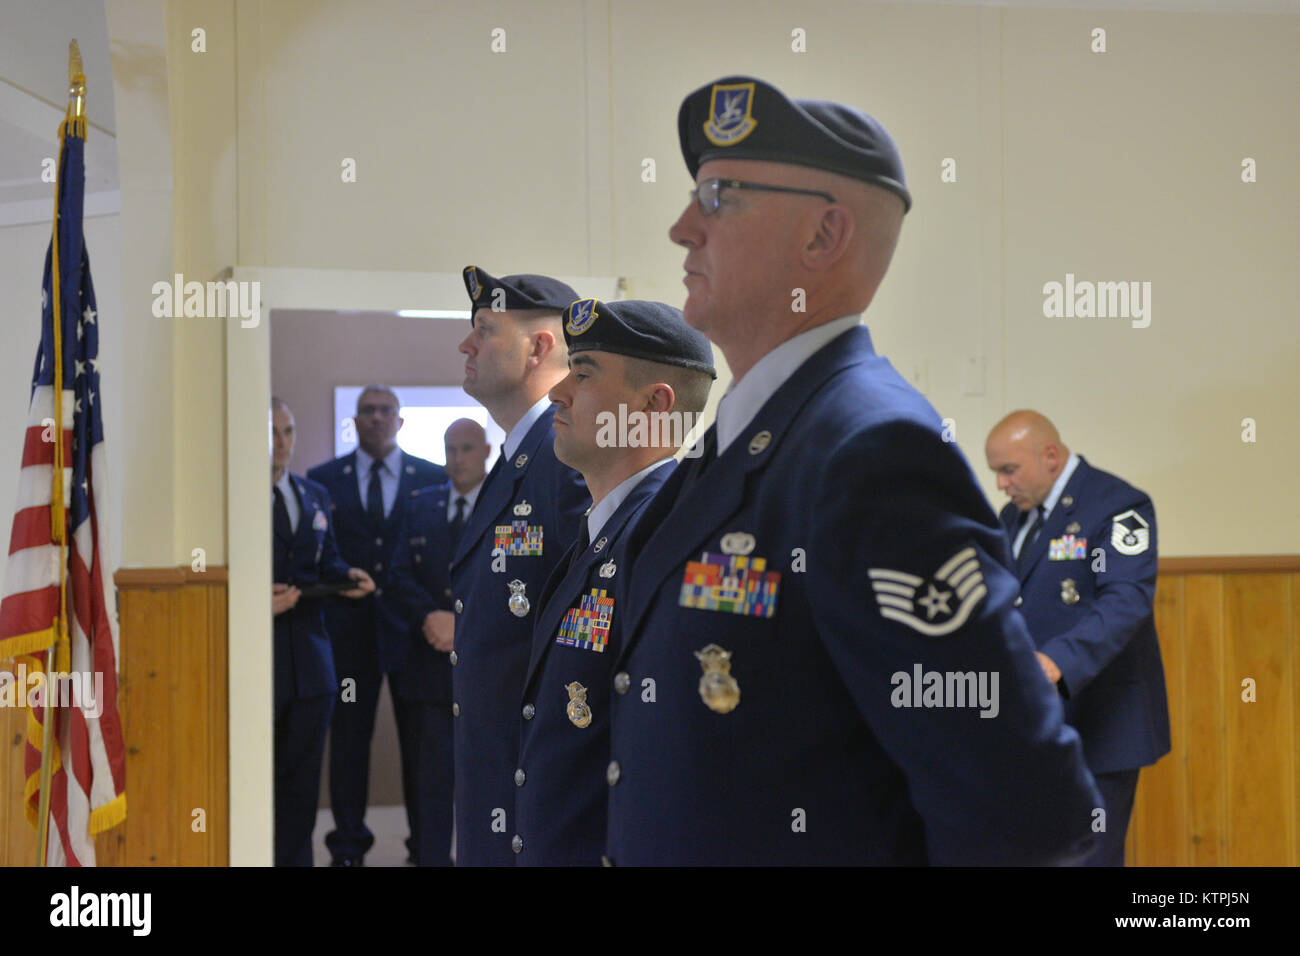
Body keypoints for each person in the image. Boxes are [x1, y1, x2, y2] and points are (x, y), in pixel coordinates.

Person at [604, 75, 1103, 865]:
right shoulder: (755, 430)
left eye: (719, 196)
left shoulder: (869, 453)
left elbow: (1022, 809)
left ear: (823, 237)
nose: (680, 227)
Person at [513, 298, 715, 865]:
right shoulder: (606, 533)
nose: (557, 391)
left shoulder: (673, 541)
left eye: (583, 373)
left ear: (654, 404)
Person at [984, 409, 1171, 866]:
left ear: (1049, 455)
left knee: (1089, 859)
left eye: (1009, 470)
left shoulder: (1119, 507)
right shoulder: (1012, 517)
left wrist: (1055, 662)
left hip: (1101, 724)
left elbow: (1124, 601)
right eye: (996, 473)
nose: (1001, 484)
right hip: (1036, 726)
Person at [449, 266, 590, 865]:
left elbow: (585, 635)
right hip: (496, 778)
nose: (465, 344)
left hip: (535, 786)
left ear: (539, 347)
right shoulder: (515, 460)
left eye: (484, 329)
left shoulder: (566, 460)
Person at [306, 386, 447, 866]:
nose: (377, 418)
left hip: (413, 637)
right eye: (367, 411)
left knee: (422, 748)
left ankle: (424, 848)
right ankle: (348, 846)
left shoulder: (432, 478)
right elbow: (319, 554)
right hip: (349, 639)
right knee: (348, 741)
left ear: (400, 421)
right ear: (355, 420)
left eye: (386, 411)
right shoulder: (324, 481)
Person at [270, 397, 374, 866]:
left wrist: (348, 574)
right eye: (272, 433)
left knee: (302, 780)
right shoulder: (234, 493)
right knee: (261, 779)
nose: (281, 444)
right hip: (262, 659)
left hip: (313, 662)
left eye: (288, 432)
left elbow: (326, 557)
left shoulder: (311, 494)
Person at [385, 418, 491, 866]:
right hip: (427, 667)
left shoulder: (504, 504)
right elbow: (396, 575)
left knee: (486, 780)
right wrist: (430, 615)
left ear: (486, 452)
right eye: (451, 449)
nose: (458, 458)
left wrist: (461, 626)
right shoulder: (418, 504)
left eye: (468, 448)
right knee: (428, 781)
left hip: (486, 669)